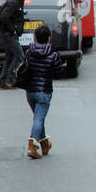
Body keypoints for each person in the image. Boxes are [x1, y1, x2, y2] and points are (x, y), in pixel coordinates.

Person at [22, 23, 65, 159]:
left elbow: (24, 67)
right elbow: (59, 73)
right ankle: (32, 144)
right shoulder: (53, 53)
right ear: (49, 38)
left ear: (35, 38)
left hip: (30, 92)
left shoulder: (29, 51)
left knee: (38, 118)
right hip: (44, 91)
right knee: (39, 118)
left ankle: (44, 143)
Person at [0, 0, 28, 89]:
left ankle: (3, 82)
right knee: (19, 56)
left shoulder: (15, 1)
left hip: (9, 34)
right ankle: (9, 80)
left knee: (9, 57)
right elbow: (4, 16)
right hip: (9, 34)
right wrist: (12, 29)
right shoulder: (13, 2)